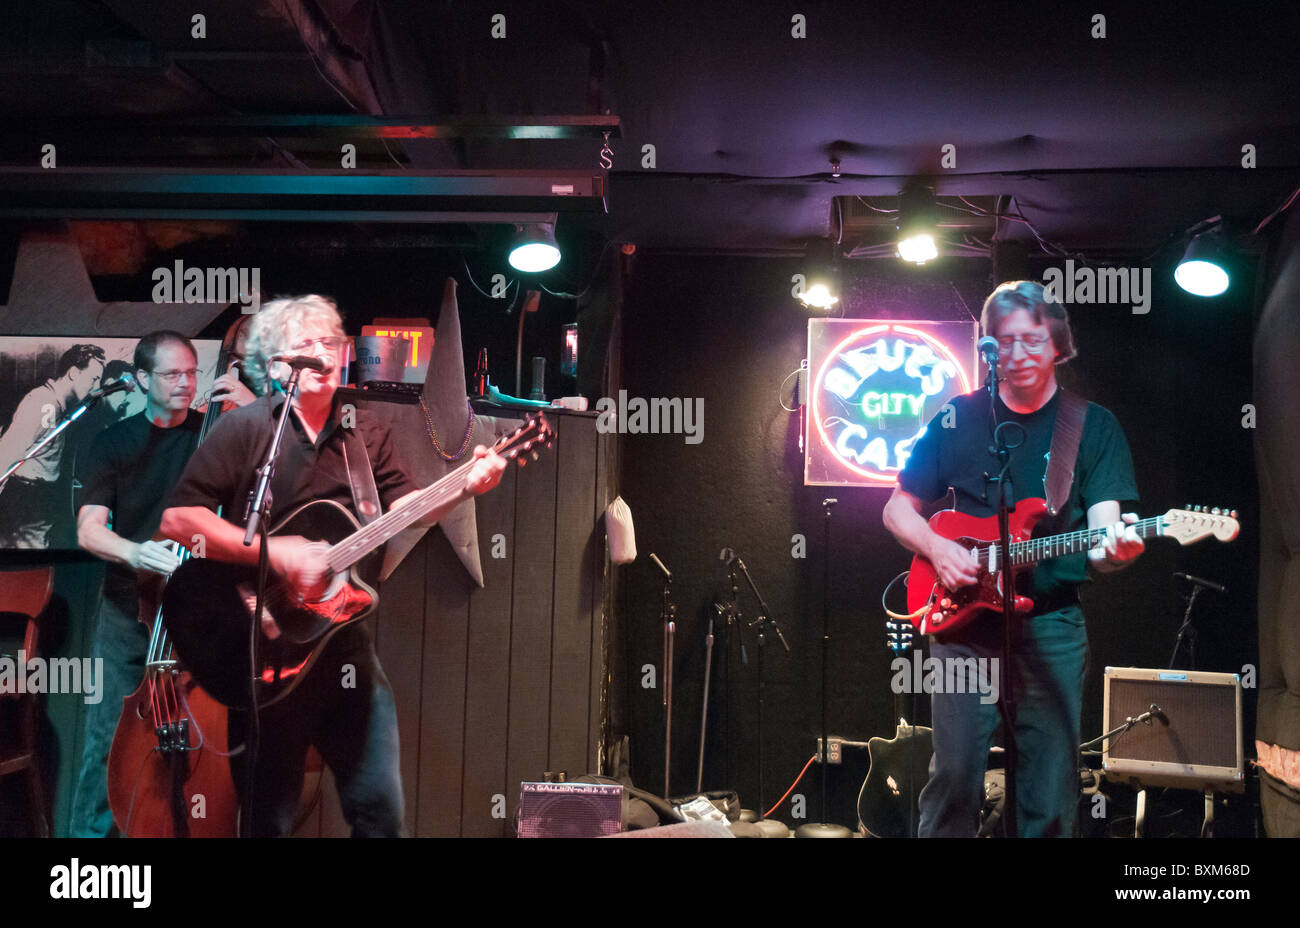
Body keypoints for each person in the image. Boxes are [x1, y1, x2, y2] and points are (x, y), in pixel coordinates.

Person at [158, 294, 505, 837]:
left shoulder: (364, 436)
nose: (321, 353)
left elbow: (404, 512)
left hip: (343, 650)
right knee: (265, 819)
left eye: (330, 342)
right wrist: (278, 553)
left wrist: (464, 486)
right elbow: (179, 520)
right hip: (262, 650)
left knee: (381, 813)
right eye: (305, 345)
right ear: (276, 365)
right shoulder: (247, 430)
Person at [882, 280, 1144, 837]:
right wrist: (938, 548)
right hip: (963, 622)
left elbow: (1102, 538)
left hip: (1050, 622)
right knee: (954, 778)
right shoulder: (959, 416)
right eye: (1004, 342)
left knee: (1049, 786)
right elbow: (897, 511)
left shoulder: (1091, 426)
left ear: (1058, 345)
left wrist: (1117, 551)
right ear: (988, 348)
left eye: (1031, 339)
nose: (1018, 354)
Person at [68, 330, 253, 837]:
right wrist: (136, 551)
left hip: (198, 612)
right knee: (108, 736)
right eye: (172, 374)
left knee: (207, 733)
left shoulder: (217, 433)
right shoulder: (112, 442)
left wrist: (259, 411)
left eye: (192, 373)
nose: (186, 384)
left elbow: (279, 473)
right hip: (130, 610)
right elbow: (88, 530)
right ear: (141, 379)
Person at [0, 344, 106, 547]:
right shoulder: (44, 403)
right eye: (93, 379)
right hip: (26, 496)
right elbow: (8, 451)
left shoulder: (59, 404)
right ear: (74, 373)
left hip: (38, 496)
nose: (96, 387)